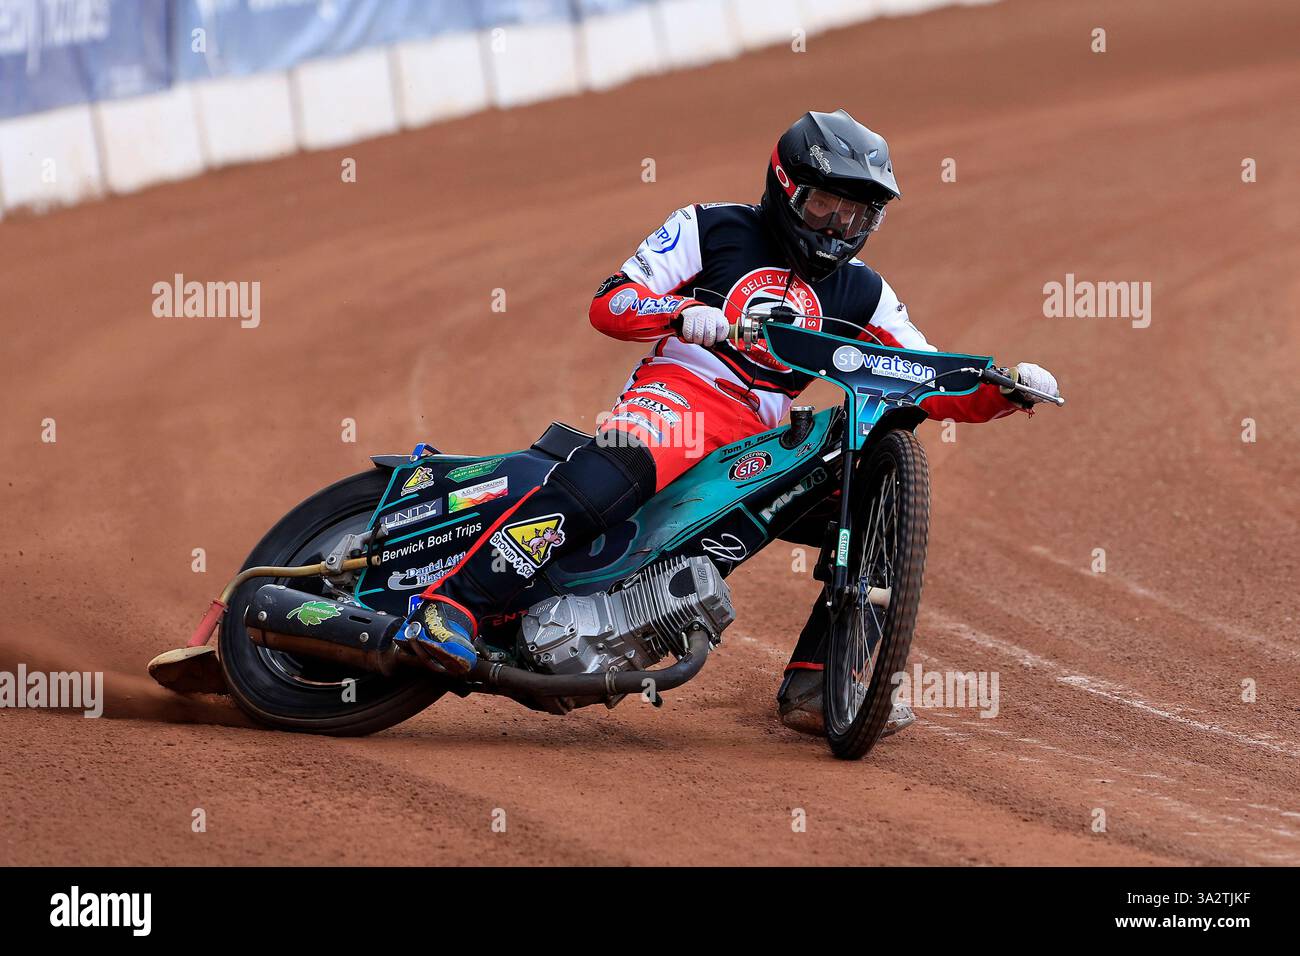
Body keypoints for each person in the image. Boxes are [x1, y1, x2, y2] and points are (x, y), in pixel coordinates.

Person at [407, 109, 1059, 737]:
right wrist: (679, 313)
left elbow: (918, 373)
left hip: (762, 437)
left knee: (873, 486)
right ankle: (452, 602)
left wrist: (1004, 389)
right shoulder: (709, 227)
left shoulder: (865, 292)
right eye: (825, 204)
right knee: (626, 464)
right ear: (784, 189)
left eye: (856, 213)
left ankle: (817, 677)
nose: (837, 226)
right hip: (681, 393)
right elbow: (610, 303)